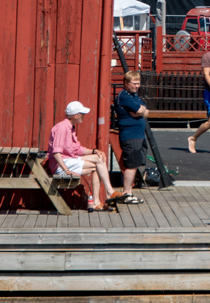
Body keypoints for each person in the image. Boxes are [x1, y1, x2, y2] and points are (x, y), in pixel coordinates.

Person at [46, 100, 116, 210]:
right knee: (97, 165)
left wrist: (94, 151)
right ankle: (106, 194)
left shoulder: (70, 128)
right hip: (61, 165)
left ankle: (101, 199)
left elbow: (77, 149)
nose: (83, 116)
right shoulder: (62, 128)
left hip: (70, 159)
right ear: (76, 115)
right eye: (82, 114)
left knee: (99, 158)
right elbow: (56, 153)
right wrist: (65, 170)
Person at [115, 71, 149, 203]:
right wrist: (141, 111)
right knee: (131, 164)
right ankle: (126, 193)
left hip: (138, 134)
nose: (137, 86)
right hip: (130, 135)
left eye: (138, 83)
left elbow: (145, 111)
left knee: (135, 164)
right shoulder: (124, 96)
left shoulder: (134, 96)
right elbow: (141, 110)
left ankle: (129, 192)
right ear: (126, 83)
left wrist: (142, 111)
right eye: (134, 83)